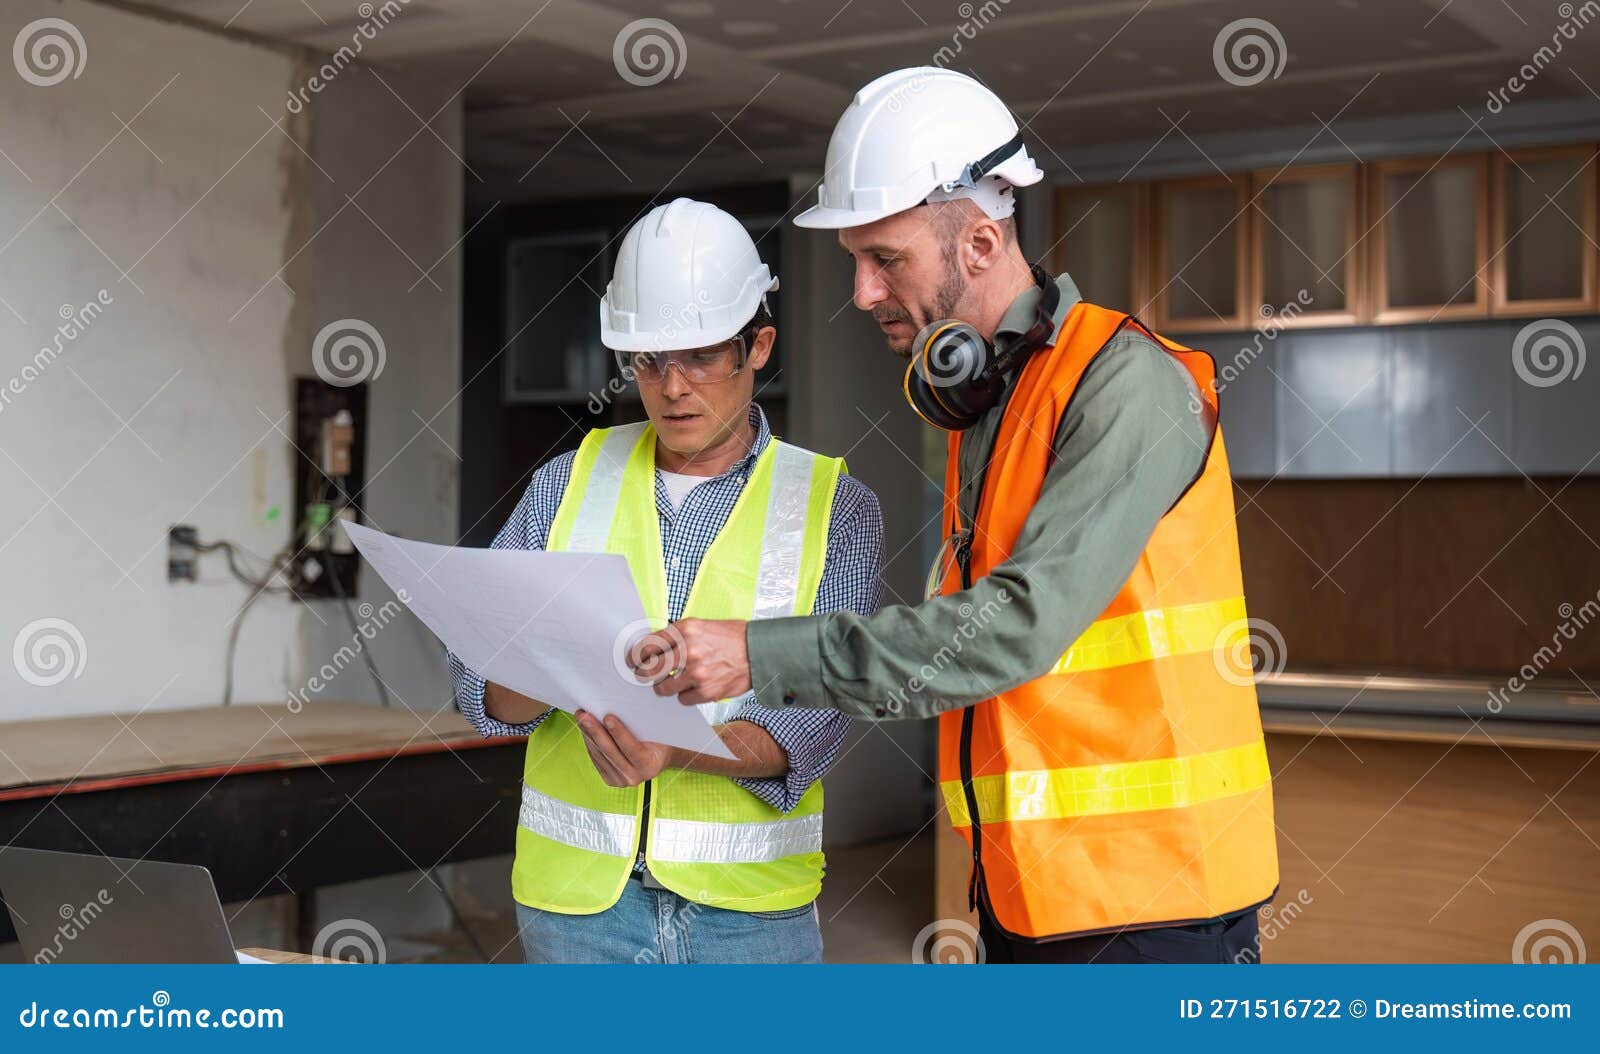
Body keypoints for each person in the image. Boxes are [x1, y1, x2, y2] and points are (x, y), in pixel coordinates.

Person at [633, 69, 1279, 964]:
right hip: (1033, 891)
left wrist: (757, 651)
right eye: (856, 261)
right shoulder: (992, 399)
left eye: (885, 260)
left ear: (979, 241)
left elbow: (1014, 627)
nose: (860, 293)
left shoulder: (1125, 386)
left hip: (1152, 905)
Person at [450, 197, 883, 964]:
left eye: (701, 355)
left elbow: (816, 722)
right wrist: (555, 661)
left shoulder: (833, 506)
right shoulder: (565, 482)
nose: (673, 387)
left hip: (748, 918)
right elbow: (480, 692)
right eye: (648, 359)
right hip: (577, 909)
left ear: (760, 347)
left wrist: (675, 750)